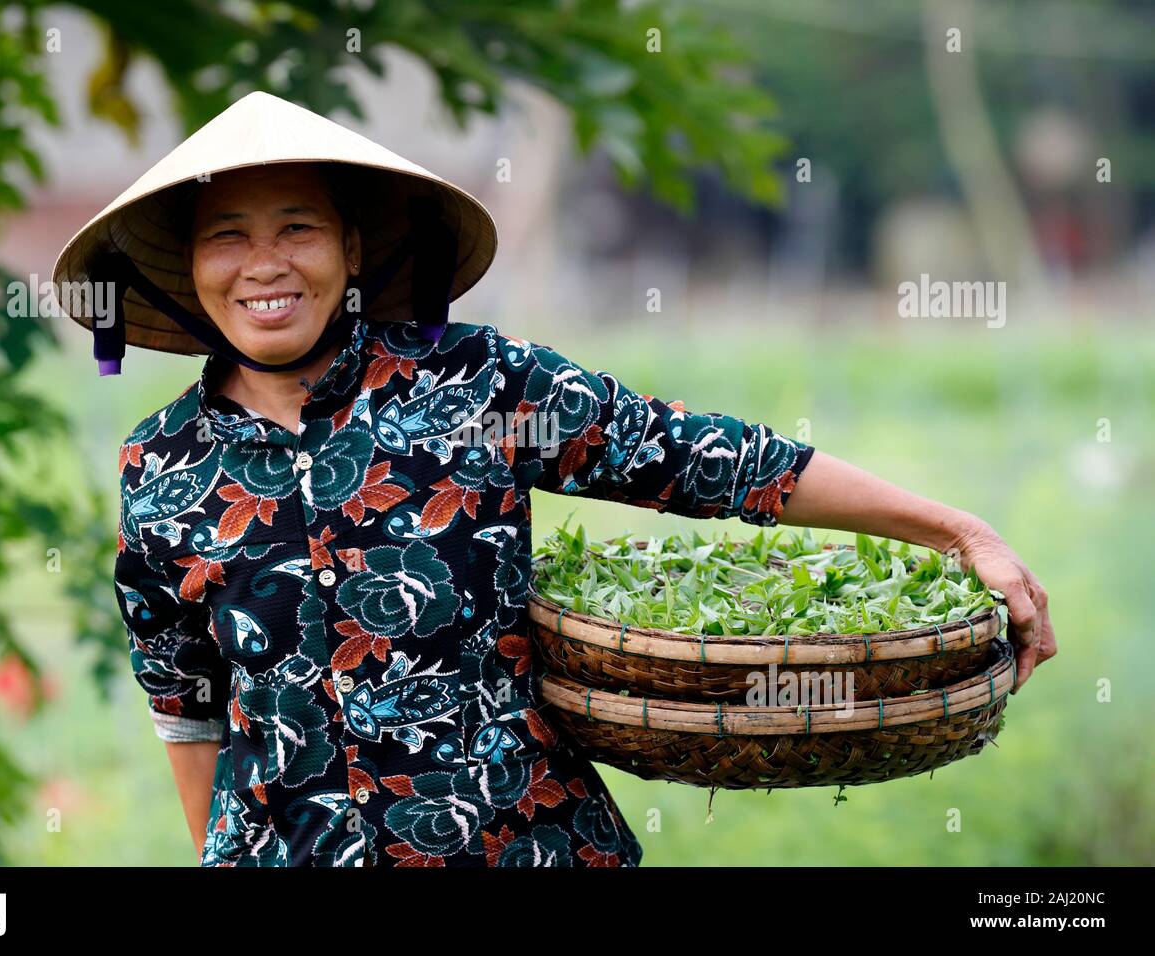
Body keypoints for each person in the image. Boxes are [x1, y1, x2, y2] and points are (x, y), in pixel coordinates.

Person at [53, 92, 1055, 867]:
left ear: (351, 248)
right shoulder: (161, 465)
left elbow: (700, 457)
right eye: (228, 234)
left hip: (521, 842)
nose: (265, 264)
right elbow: (187, 704)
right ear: (191, 268)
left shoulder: (475, 383)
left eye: (297, 228)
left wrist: (953, 530)